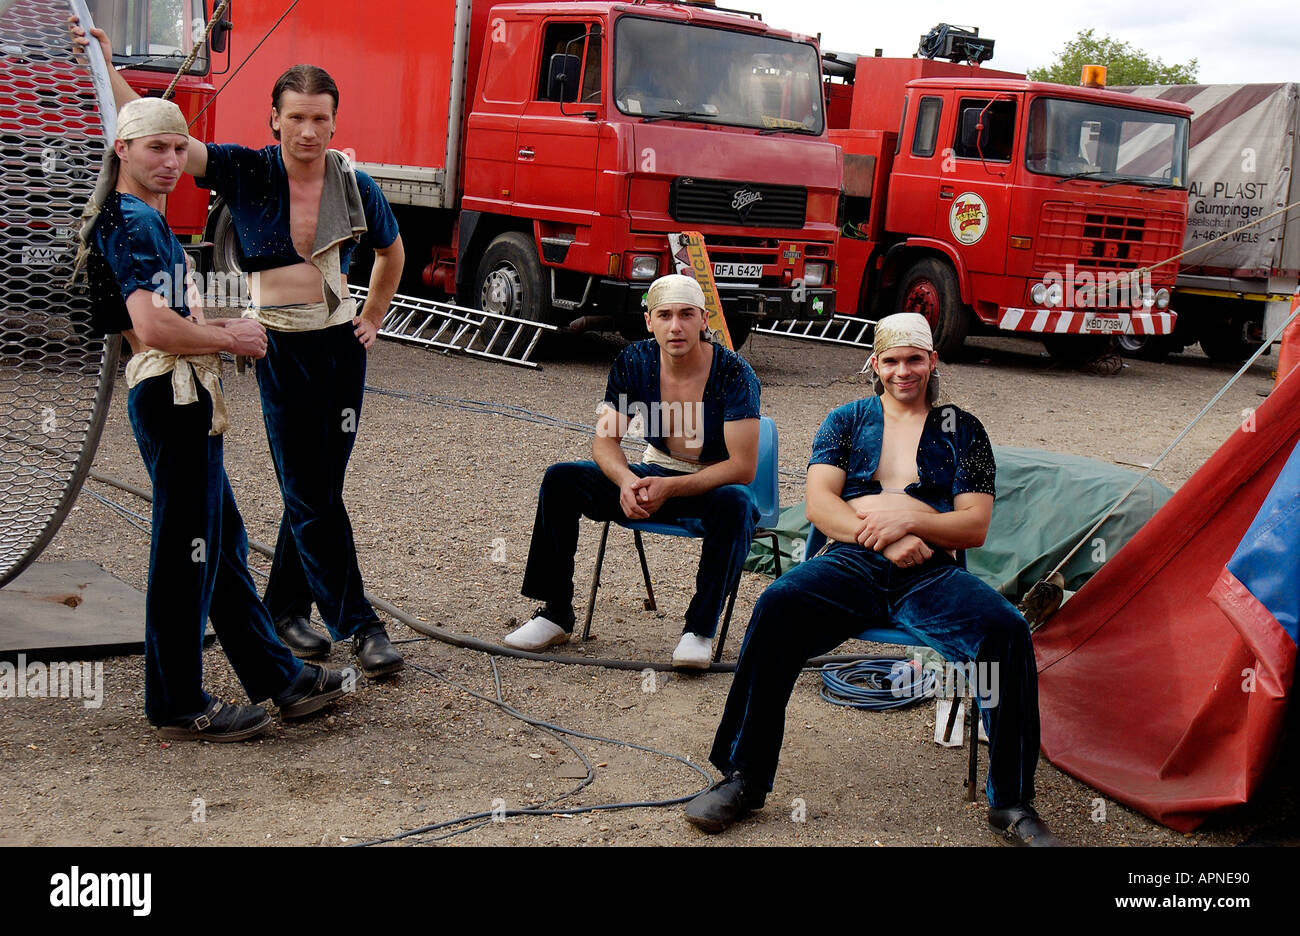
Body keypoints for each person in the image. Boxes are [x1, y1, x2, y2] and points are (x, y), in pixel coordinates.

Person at [74, 20, 407, 678]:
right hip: (278, 346)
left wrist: (372, 317)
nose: (309, 131)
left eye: (321, 119)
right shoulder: (248, 170)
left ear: (335, 124)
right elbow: (157, 134)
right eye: (297, 118)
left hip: (341, 345)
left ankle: (284, 606)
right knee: (310, 491)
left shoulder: (352, 183)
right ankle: (359, 624)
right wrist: (107, 67)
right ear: (274, 121)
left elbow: (392, 253)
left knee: (319, 487)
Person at [684, 312, 1059, 845]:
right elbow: (819, 504)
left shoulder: (964, 429)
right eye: (891, 360)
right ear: (875, 364)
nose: (903, 371)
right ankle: (743, 778)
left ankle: (1013, 802)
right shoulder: (847, 419)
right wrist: (880, 535)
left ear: (933, 360)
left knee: (1005, 631)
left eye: (914, 359)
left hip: (929, 572)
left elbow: (973, 525)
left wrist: (909, 519)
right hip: (852, 562)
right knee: (777, 607)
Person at [73, 96, 352, 741]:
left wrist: (216, 326)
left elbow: (145, 323)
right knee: (185, 553)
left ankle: (278, 676)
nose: (172, 161)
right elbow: (149, 326)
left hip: (177, 391)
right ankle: (176, 700)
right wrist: (231, 340)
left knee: (218, 542)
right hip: (172, 398)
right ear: (123, 150)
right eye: (156, 148)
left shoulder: (129, 215)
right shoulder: (136, 222)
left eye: (179, 148)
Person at [505, 274, 761, 668]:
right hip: (653, 474)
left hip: (711, 483)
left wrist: (671, 488)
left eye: (686, 315)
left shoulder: (733, 373)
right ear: (648, 321)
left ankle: (699, 630)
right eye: (665, 315)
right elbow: (605, 441)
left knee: (737, 505)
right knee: (561, 479)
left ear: (704, 319)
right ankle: (556, 613)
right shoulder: (635, 361)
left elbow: (742, 468)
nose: (675, 327)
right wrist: (626, 480)